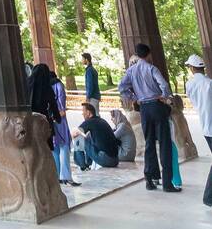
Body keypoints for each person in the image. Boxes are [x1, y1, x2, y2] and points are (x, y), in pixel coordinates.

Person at [118, 42, 179, 192]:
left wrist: (134, 98)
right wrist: (164, 97)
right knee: (164, 144)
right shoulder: (151, 68)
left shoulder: (131, 71)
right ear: (149, 54)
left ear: (137, 55)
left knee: (149, 144)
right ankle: (167, 183)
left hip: (144, 108)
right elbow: (164, 85)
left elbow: (121, 87)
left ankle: (150, 180)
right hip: (156, 106)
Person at [184, 54, 212, 207]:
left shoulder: (190, 85)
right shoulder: (209, 84)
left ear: (193, 68)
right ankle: (208, 197)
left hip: (206, 126)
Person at [72, 102, 119, 170]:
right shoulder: (102, 120)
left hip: (106, 159)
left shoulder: (90, 121)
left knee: (78, 138)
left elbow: (74, 133)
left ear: (88, 113)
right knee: (88, 138)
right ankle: (88, 163)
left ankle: (82, 166)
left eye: (83, 111)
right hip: (115, 160)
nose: (82, 114)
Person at [49, 69, 76, 184]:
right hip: (60, 119)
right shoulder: (58, 85)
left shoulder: (46, 86)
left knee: (55, 148)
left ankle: (57, 176)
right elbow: (62, 107)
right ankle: (65, 176)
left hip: (51, 119)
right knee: (64, 146)